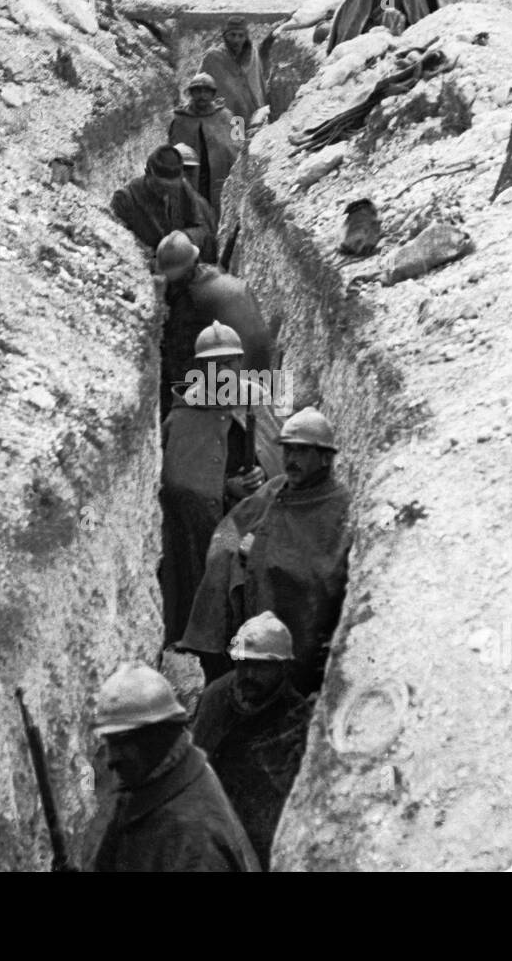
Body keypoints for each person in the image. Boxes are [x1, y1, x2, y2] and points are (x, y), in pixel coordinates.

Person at [179, 407, 353, 694]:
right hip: (249, 611)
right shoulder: (274, 489)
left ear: (325, 458)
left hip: (296, 632)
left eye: (301, 452)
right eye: (288, 451)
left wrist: (261, 553)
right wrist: (228, 554)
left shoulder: (338, 506)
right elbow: (229, 528)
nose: (291, 461)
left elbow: (323, 574)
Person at [160, 322, 283, 648]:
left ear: (240, 362)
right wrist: (226, 487)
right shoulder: (186, 411)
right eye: (215, 364)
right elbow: (176, 481)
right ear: (201, 367)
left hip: (254, 513)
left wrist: (262, 478)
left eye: (230, 362)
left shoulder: (255, 397)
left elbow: (277, 455)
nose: (224, 370)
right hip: (207, 521)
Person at [91, 664, 259, 872]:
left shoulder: (194, 839)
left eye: (122, 743)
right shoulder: (149, 783)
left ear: (157, 738)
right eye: (109, 742)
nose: (112, 758)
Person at [192, 612, 312, 870]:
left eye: (260, 666)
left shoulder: (295, 719)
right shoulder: (216, 696)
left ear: (282, 668)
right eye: (243, 663)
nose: (248, 674)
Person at [155, 230, 272, 421]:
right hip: (263, 380)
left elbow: (178, 358)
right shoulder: (216, 276)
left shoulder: (191, 299)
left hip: (231, 391)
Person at [111, 146, 217, 266]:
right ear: (147, 173)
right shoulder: (125, 199)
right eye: (160, 186)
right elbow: (119, 246)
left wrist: (182, 239)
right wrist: (154, 260)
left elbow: (203, 229)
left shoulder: (182, 188)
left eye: (171, 187)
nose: (166, 192)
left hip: (182, 265)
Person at [167, 73, 242, 217]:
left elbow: (240, 146)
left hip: (220, 175)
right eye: (197, 91)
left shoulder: (228, 116)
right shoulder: (178, 119)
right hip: (192, 177)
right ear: (190, 93)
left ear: (213, 94)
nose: (202, 95)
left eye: (206, 91)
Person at [199, 16, 268, 127]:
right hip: (223, 115)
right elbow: (199, 85)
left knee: (246, 141)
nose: (236, 40)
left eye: (241, 36)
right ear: (225, 36)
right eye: (233, 35)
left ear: (246, 37)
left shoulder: (252, 55)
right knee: (232, 141)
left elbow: (259, 84)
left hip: (250, 114)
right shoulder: (213, 57)